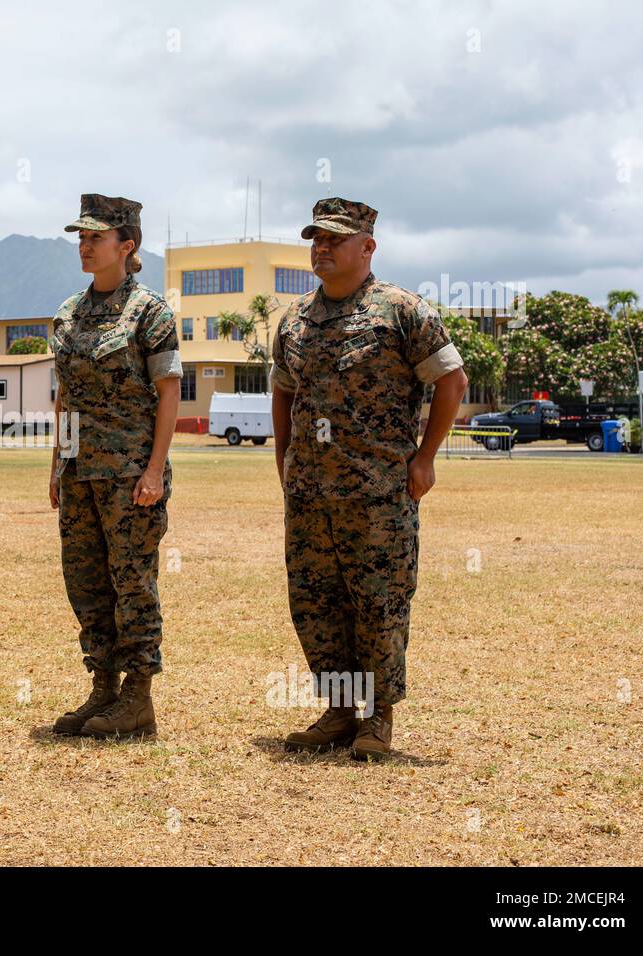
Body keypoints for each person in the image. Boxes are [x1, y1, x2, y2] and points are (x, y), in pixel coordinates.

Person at [270, 197, 468, 760]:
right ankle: (338, 711)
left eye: (335, 239)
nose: (322, 248)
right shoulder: (295, 319)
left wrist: (425, 458)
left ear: (368, 247)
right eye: (316, 238)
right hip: (310, 494)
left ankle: (376, 719)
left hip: (378, 494)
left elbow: (451, 382)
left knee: (379, 604)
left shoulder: (402, 311)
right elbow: (284, 390)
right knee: (315, 602)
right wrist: (284, 460)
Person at [48, 193, 182, 739]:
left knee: (133, 584)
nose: (84, 245)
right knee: (86, 582)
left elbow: (169, 390)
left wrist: (155, 468)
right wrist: (58, 462)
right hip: (81, 473)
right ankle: (102, 687)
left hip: (130, 476)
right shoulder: (68, 313)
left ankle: (138, 698)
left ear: (126, 246)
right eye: (80, 237)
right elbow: (64, 396)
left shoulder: (149, 311)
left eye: (95, 237)